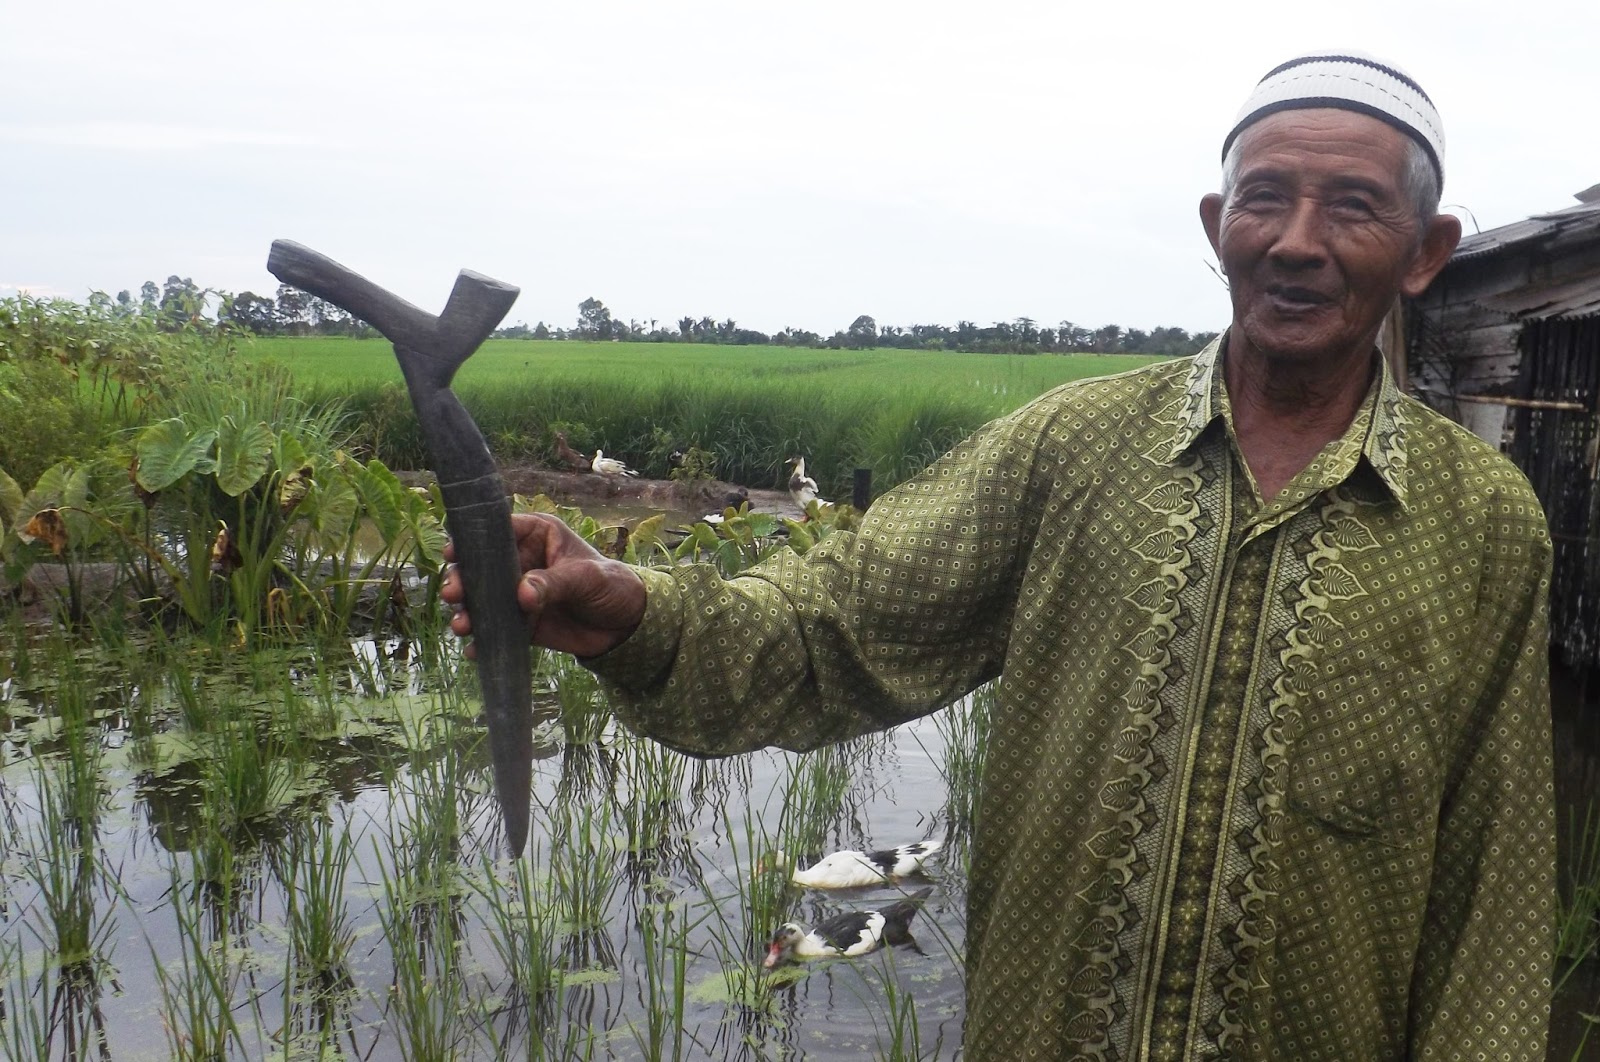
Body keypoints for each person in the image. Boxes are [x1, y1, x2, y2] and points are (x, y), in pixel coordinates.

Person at [445, 52, 1554, 1060]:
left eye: (1353, 207)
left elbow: (1488, 889)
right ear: (1218, 224)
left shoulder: (1481, 524)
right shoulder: (1071, 450)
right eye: (1264, 199)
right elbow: (835, 627)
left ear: (1425, 254)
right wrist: (637, 613)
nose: (1297, 239)